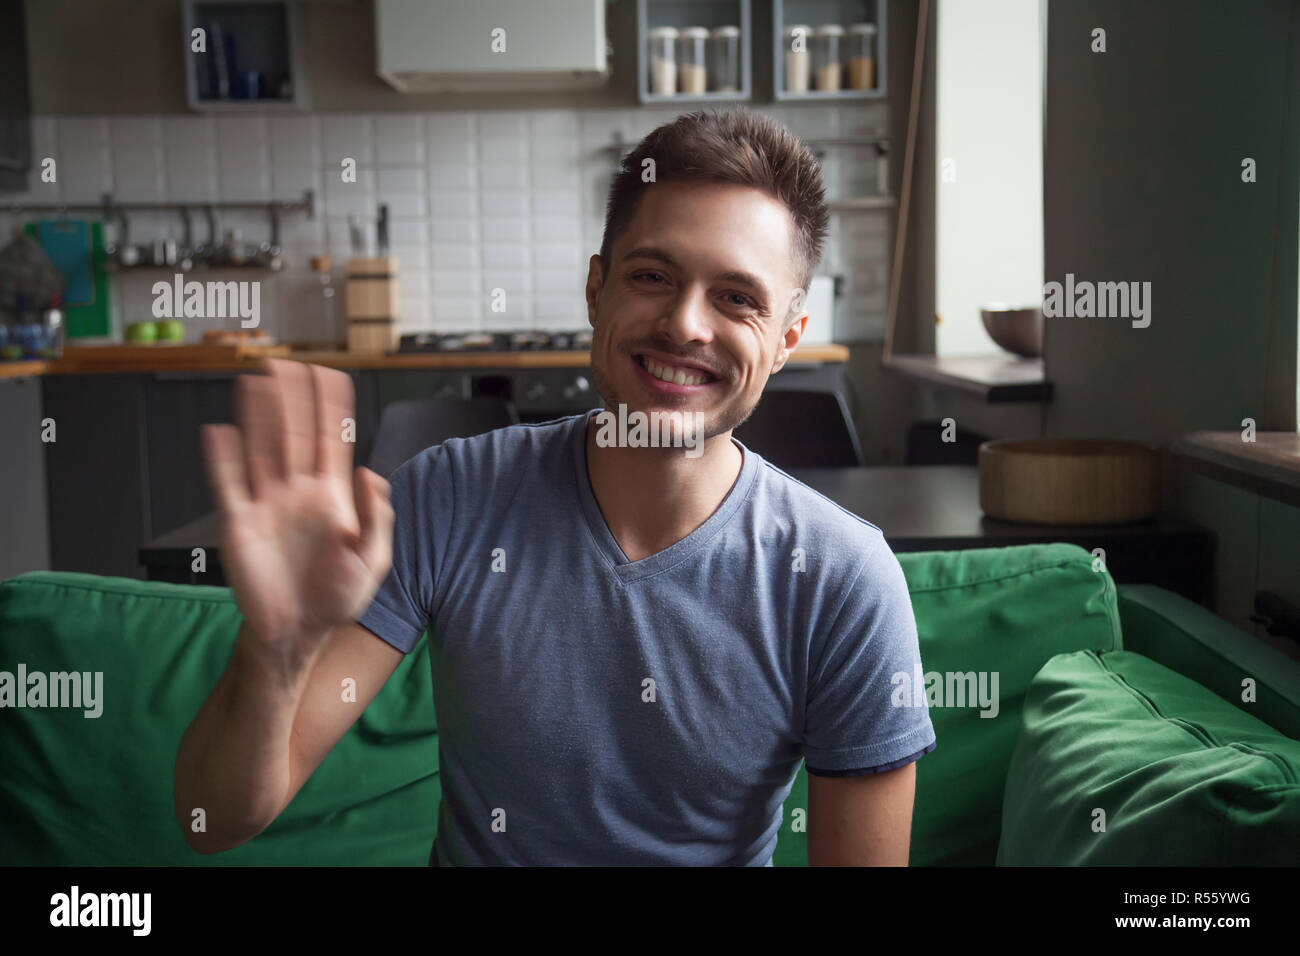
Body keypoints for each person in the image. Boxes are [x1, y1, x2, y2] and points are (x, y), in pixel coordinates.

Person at [174, 109, 936, 866]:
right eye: (652, 276)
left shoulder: (845, 581)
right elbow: (212, 820)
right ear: (596, 290)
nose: (685, 325)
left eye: (738, 297)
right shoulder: (449, 497)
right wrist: (277, 648)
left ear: (786, 339)